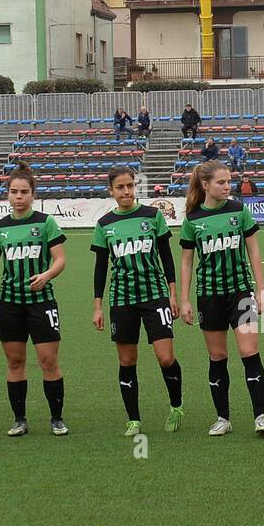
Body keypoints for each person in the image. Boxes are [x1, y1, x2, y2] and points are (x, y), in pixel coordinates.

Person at [178, 161, 264, 436]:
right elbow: (186, 263)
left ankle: (260, 417)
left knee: (249, 353)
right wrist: (184, 300)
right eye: (221, 182)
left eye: (229, 181)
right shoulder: (192, 219)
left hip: (240, 293)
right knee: (217, 357)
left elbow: (254, 252)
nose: (227, 187)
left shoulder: (239, 211)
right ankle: (223, 418)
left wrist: (261, 289)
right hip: (209, 296)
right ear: (205, 185)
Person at [91, 165, 183, 435]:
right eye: (120, 187)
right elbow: (100, 268)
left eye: (130, 186)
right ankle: (134, 419)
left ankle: (176, 405)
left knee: (165, 358)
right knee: (127, 360)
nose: (126, 191)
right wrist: (98, 306)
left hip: (155, 296)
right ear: (111, 191)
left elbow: (166, 256)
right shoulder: (105, 224)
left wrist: (173, 294)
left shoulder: (152, 216)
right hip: (121, 299)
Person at [0, 163, 68, 437]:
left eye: (24, 192)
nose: (18, 197)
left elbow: (61, 260)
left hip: (41, 302)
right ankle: (19, 419)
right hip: (9, 303)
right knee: (15, 362)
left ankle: (56, 418)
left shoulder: (45, 222)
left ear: (33, 195)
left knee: (48, 361)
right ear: (7, 194)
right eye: (13, 192)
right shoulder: (0, 227)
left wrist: (46, 275)